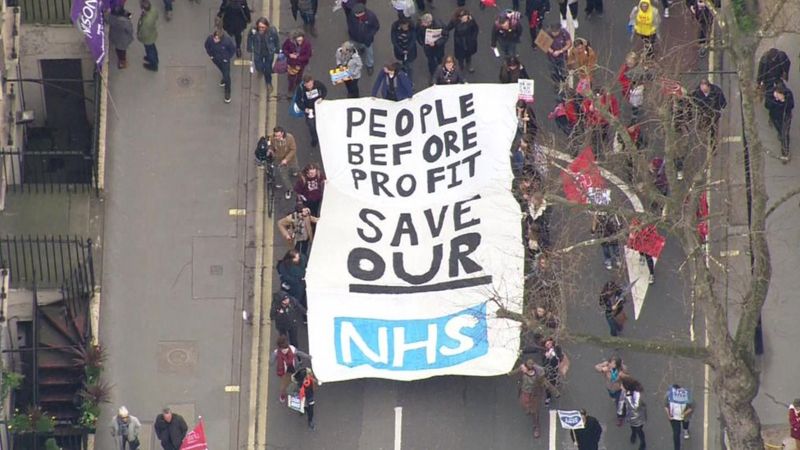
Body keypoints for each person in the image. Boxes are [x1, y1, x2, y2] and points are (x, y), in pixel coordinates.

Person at [509, 358, 558, 439]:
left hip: (534, 395)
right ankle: (528, 409)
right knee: (524, 404)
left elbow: (547, 383)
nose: (522, 368)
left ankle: (536, 427)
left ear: (529, 369)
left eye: (524, 368)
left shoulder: (538, 377)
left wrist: (556, 392)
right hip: (524, 393)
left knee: (535, 412)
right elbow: (513, 372)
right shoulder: (523, 370)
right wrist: (508, 372)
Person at [270, 335, 311, 403]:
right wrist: (272, 357)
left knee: (298, 382)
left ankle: (298, 392)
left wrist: (308, 357)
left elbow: (299, 353)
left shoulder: (292, 349)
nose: (285, 351)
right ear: (280, 348)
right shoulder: (276, 353)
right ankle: (283, 395)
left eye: (286, 349)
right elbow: (271, 361)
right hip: (284, 372)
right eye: (283, 350)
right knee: (284, 386)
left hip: (294, 368)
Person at [691, 78, 727, 148]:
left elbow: (723, 102)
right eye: (702, 89)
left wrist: (718, 109)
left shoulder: (717, 91)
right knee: (701, 126)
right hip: (703, 112)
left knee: (712, 129)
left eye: (705, 89)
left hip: (714, 113)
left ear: (708, 86)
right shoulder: (697, 92)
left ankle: (713, 145)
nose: (703, 91)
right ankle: (704, 133)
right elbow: (694, 101)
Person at [293, 75, 327, 148]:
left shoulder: (318, 84)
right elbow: (298, 101)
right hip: (309, 110)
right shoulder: (301, 89)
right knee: (311, 126)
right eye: (307, 86)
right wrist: (305, 109)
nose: (309, 87)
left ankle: (322, 134)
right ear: (304, 84)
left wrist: (321, 98)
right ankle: (314, 138)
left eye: (311, 85)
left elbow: (324, 90)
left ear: (312, 81)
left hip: (319, 107)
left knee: (322, 122)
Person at [247, 17, 281, 90]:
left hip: (269, 52)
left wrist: (277, 49)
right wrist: (249, 47)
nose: (261, 29)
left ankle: (268, 82)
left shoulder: (272, 30)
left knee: (268, 69)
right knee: (258, 66)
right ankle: (260, 71)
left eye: (263, 27)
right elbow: (249, 38)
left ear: (267, 26)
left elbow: (276, 40)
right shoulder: (253, 30)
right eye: (259, 27)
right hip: (258, 52)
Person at [346, 4, 380, 76]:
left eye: (357, 14)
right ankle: (361, 48)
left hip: (366, 40)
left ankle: (370, 65)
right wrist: (351, 33)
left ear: (363, 12)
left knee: (369, 52)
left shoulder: (371, 17)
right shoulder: (352, 15)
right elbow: (350, 24)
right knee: (357, 46)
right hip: (355, 38)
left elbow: (376, 27)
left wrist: (369, 35)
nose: (356, 15)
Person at [205, 30, 237, 104]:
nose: (215, 40)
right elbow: (206, 46)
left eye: (217, 39)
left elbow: (232, 50)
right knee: (222, 70)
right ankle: (224, 78)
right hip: (216, 59)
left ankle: (227, 92)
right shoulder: (210, 39)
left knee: (227, 76)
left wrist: (226, 58)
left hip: (224, 61)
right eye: (215, 38)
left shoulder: (227, 42)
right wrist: (211, 55)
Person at [595, 356, 628, 426]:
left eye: (613, 364)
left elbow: (626, 377)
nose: (611, 364)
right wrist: (602, 364)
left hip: (618, 390)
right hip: (610, 388)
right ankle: (616, 401)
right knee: (613, 397)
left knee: (619, 405)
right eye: (610, 362)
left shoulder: (621, 370)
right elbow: (596, 367)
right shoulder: (607, 369)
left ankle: (621, 417)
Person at [765, 82, 794, 162]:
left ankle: (785, 152)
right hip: (775, 117)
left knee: (785, 133)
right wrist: (776, 101)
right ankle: (781, 136)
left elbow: (792, 105)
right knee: (780, 131)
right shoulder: (770, 94)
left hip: (786, 117)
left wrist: (784, 101)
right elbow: (767, 105)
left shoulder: (788, 94)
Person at [417, 14, 448, 86]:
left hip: (438, 48)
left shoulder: (440, 25)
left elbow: (445, 36)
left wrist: (436, 43)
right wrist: (422, 43)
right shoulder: (420, 25)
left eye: (424, 23)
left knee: (440, 60)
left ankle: (441, 74)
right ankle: (433, 75)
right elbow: (418, 35)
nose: (422, 24)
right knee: (430, 61)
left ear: (429, 23)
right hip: (428, 48)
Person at [268, 127, 298, 199]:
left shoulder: (290, 138)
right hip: (280, 161)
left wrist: (286, 159)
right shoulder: (272, 138)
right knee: (284, 177)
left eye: (278, 135)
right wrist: (270, 150)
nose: (277, 137)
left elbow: (293, 149)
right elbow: (271, 146)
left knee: (295, 168)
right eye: (275, 135)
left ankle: (294, 172)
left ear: (282, 133)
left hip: (291, 160)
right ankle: (289, 189)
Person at [447, 8, 479, 73]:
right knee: (460, 57)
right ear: (459, 17)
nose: (465, 19)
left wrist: (474, 38)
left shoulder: (471, 20)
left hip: (469, 41)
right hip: (460, 41)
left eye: (466, 17)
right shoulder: (455, 21)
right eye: (463, 17)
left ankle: (468, 65)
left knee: (469, 55)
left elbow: (476, 29)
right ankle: (460, 67)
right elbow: (448, 28)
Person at [282, 30, 313, 95]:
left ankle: (297, 85)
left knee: (299, 76)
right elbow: (284, 49)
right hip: (291, 63)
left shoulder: (307, 44)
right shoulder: (289, 42)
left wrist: (298, 58)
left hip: (301, 64)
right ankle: (290, 89)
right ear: (294, 39)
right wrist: (289, 55)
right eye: (298, 40)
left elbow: (308, 55)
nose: (300, 42)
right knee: (291, 77)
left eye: (301, 40)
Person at [665, 384, 694, 449]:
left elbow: (691, 407)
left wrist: (684, 413)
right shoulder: (669, 395)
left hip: (684, 415)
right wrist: (668, 415)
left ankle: (685, 430)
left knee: (685, 423)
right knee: (676, 434)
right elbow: (666, 405)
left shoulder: (686, 395)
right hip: (673, 417)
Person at [541, 337, 568, 406]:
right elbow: (544, 364)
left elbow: (560, 356)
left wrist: (555, 355)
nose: (548, 345)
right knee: (548, 386)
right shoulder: (545, 354)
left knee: (554, 381)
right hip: (548, 372)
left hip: (555, 370)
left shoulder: (556, 349)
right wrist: (547, 358)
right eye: (547, 345)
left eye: (549, 343)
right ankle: (548, 397)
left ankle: (556, 384)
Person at [622, 376, 647, 449]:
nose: (621, 387)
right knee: (632, 426)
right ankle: (633, 433)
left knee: (639, 429)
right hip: (630, 414)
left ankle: (643, 442)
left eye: (622, 385)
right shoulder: (626, 392)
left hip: (638, 416)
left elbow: (635, 407)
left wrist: (628, 397)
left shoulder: (636, 393)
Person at [137, 0, 159, 72]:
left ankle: (153, 65)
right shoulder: (153, 10)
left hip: (148, 38)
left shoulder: (146, 21)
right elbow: (157, 16)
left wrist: (139, 36)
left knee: (149, 50)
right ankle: (155, 59)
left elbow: (144, 33)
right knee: (153, 48)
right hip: (152, 33)